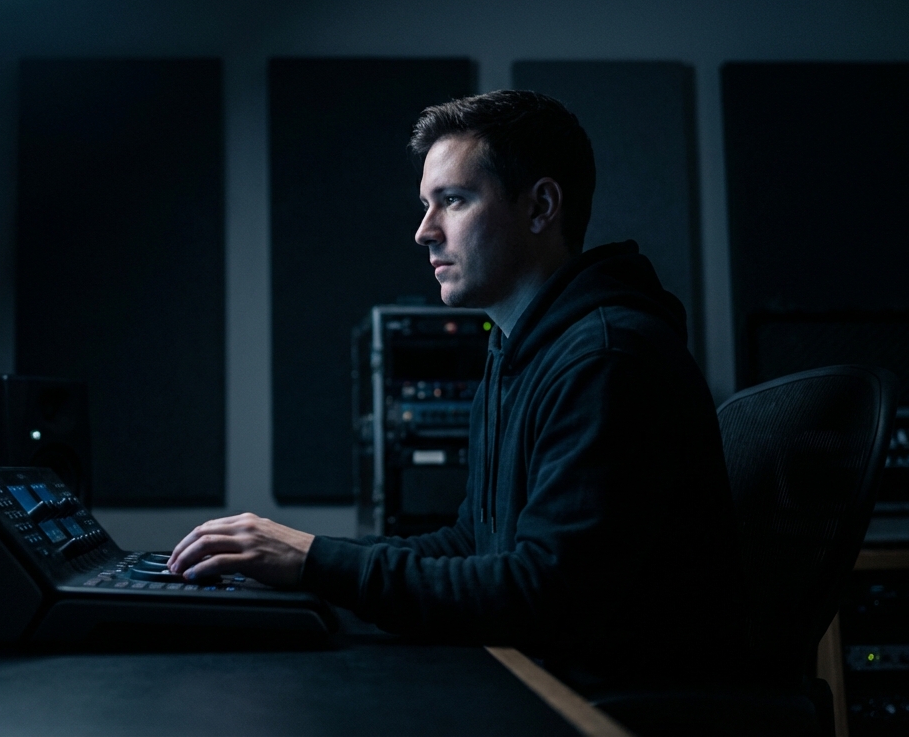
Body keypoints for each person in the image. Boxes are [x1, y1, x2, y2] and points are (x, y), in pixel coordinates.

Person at [168, 90, 743, 691]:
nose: (424, 232)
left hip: (604, 706)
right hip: (544, 680)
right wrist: (303, 561)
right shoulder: (517, 348)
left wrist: (315, 561)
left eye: (454, 201)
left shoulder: (606, 358)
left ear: (541, 205)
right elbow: (474, 543)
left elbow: (542, 594)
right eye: (426, 204)